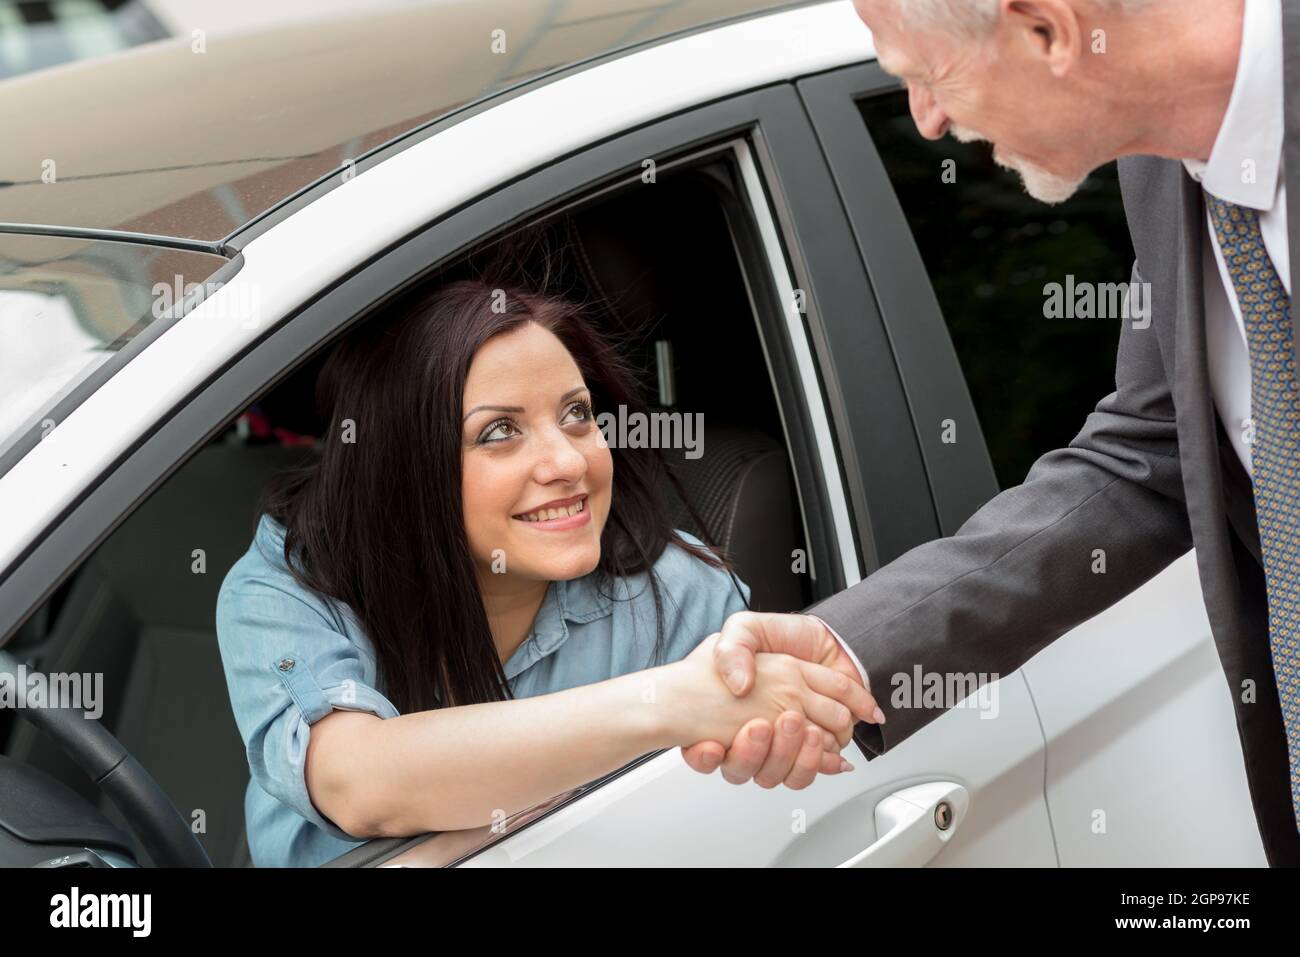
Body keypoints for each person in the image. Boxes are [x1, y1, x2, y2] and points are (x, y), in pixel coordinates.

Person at [682, 0, 1300, 868]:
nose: (927, 121)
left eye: (928, 76)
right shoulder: (1160, 170)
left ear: (1044, 29)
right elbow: (1145, 451)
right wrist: (855, 647)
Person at [215, 278, 873, 867]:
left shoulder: (681, 594)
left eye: (577, 415)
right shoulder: (290, 584)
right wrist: (671, 701)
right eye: (500, 430)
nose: (567, 461)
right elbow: (356, 783)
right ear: (406, 467)